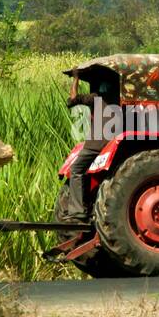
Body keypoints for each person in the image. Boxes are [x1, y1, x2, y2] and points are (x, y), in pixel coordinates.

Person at [62, 71, 121, 224]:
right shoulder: (122, 98)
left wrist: (76, 78)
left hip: (97, 143)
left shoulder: (95, 98)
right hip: (112, 142)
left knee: (76, 169)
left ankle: (77, 211)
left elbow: (73, 99)